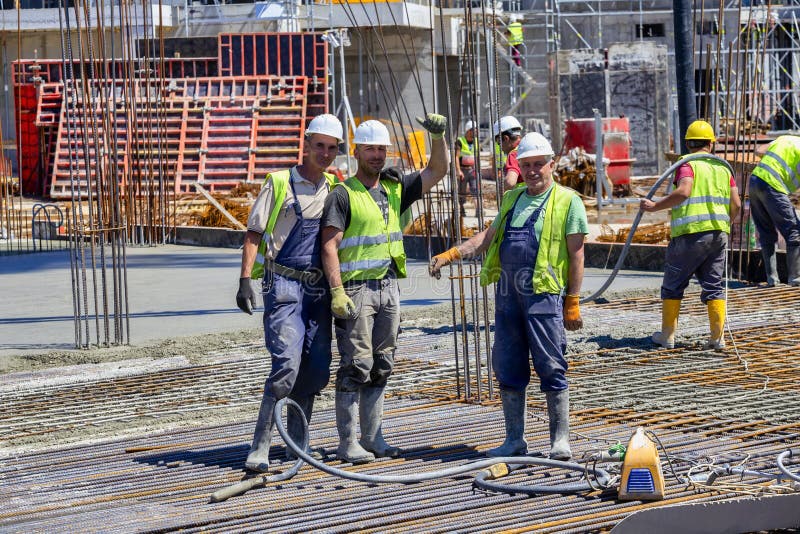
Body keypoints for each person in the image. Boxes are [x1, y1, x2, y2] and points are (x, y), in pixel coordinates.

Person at [429, 131, 587, 461]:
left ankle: (560, 441)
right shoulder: (512, 199)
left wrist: (572, 300)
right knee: (508, 366)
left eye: (538, 164)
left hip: (543, 295)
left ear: (551, 164)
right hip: (508, 296)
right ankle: (514, 440)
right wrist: (453, 254)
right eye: (526, 165)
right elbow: (488, 237)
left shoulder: (568, 201)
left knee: (551, 365)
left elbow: (577, 254)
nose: (532, 171)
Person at [320, 114, 449, 464]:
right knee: (356, 365)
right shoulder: (343, 194)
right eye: (370, 149)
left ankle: (373, 438)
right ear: (357, 152)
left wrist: (438, 137)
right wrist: (336, 291)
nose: (377, 155)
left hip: (388, 287)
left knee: (382, 363)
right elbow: (329, 245)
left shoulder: (393, 189)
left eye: (381, 149)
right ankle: (348, 442)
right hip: (356, 290)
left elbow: (437, 170)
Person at [235, 113, 344, 472]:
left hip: (318, 288)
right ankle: (260, 447)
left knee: (315, 368)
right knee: (286, 364)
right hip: (283, 282)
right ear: (307, 143)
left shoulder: (335, 186)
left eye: (332, 148)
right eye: (320, 146)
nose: (325, 153)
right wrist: (245, 279)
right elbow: (254, 232)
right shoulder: (280, 182)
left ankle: (297, 445)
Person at [640, 120, 741, 350]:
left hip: (690, 235)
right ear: (711, 144)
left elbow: (684, 191)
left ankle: (667, 336)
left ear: (687, 144)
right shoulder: (723, 167)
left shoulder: (687, 164)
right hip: (718, 234)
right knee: (714, 286)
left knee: (673, 285)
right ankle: (717, 338)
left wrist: (654, 206)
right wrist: (725, 223)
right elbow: (736, 203)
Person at [748, 135, 800, 286]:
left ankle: (772, 279)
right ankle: (796, 279)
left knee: (766, 232)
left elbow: (759, 150)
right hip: (773, 185)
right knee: (794, 232)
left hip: (755, 181)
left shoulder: (785, 138)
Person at [494, 115, 524, 191]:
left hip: (524, 196)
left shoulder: (514, 154)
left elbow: (510, 182)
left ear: (506, 138)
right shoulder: (529, 147)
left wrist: (502, 189)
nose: (500, 148)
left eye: (499, 143)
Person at [455, 120, 478, 217]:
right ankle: (461, 209)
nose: (476, 131)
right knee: (462, 191)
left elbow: (476, 156)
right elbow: (456, 157)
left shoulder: (476, 141)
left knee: (475, 190)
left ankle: (478, 210)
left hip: (472, 169)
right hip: (463, 170)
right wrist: (458, 171)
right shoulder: (460, 141)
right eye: (474, 130)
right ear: (468, 131)